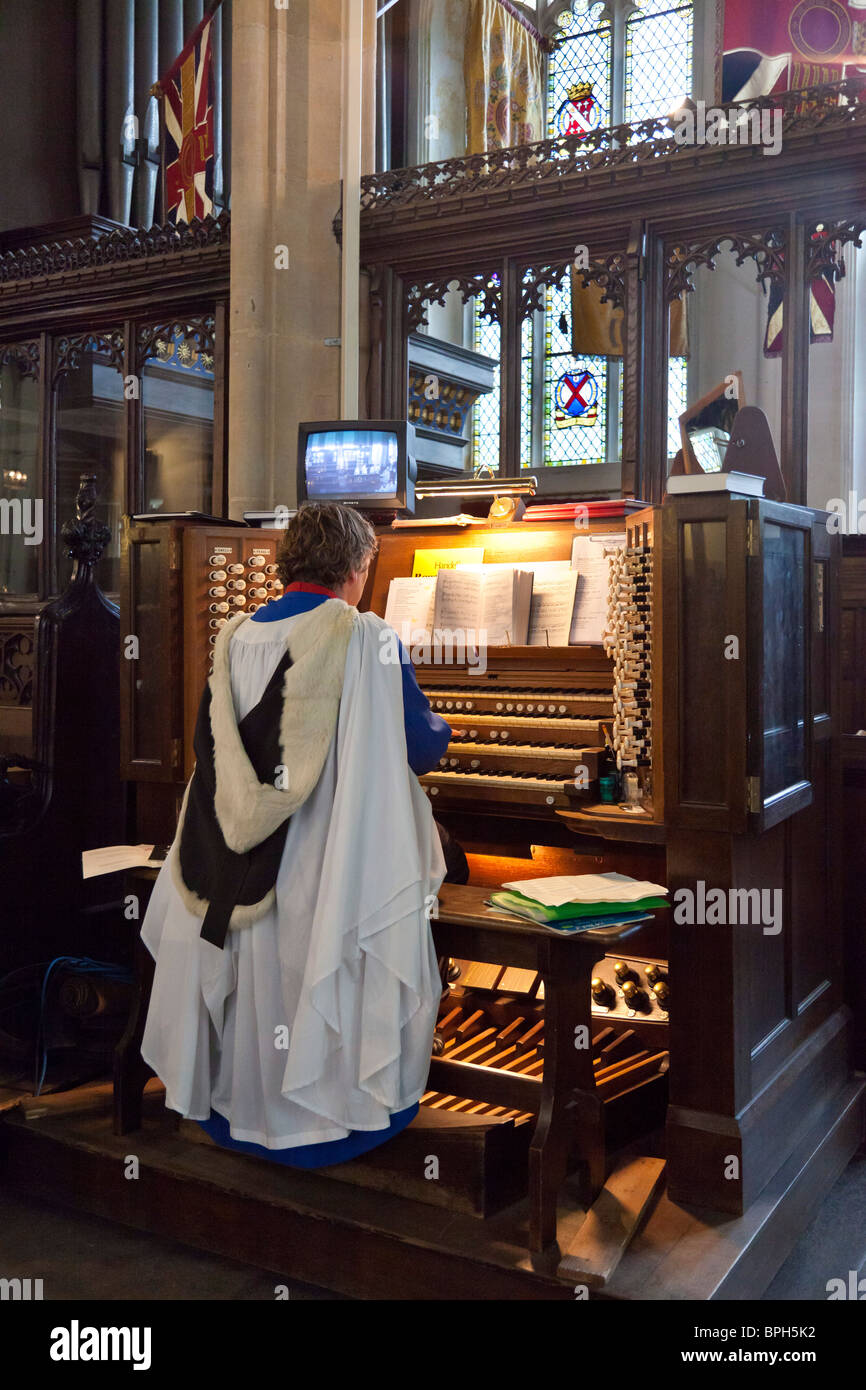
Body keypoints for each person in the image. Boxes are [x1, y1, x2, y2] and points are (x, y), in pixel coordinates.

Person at [140, 502, 462, 1168]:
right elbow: (422, 746)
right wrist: (447, 730)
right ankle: (336, 1116)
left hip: (239, 869)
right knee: (431, 867)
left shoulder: (232, 636)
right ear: (355, 566)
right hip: (328, 871)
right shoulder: (364, 636)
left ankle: (246, 1114)